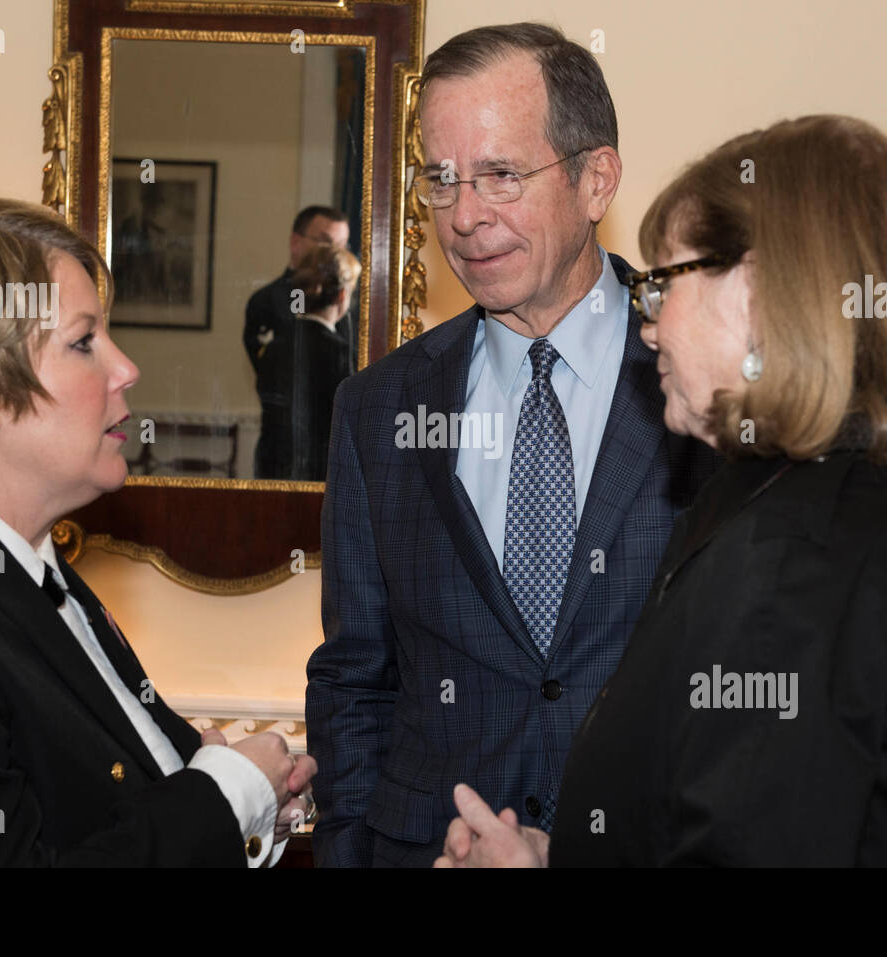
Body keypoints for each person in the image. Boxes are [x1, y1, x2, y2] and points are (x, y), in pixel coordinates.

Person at [435, 115, 887, 867]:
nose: (648, 327)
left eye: (663, 283)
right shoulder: (815, 502)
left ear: (760, 290)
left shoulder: (802, 551)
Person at [305, 23, 717, 867]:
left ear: (595, 179)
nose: (464, 217)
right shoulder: (376, 408)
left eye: (500, 175)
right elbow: (354, 680)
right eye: (441, 179)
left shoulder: (704, 379)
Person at [0, 197, 316, 866]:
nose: (126, 368)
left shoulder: (27, 575)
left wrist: (248, 802)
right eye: (83, 342)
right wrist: (226, 797)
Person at [245, 205, 351, 478]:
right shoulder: (266, 301)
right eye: (326, 243)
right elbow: (270, 377)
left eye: (342, 245)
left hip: (331, 455)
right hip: (281, 454)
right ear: (296, 242)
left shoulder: (353, 306)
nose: (335, 254)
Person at [285, 245, 359, 480]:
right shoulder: (341, 352)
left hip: (275, 466)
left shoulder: (276, 345)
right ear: (342, 295)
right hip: (324, 470)